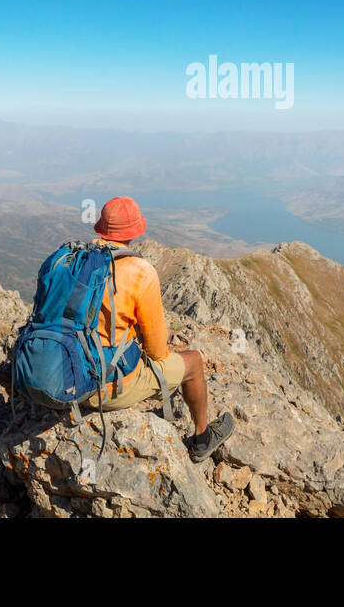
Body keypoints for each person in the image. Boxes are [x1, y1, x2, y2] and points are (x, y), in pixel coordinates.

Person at [83, 196, 235, 462]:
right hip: (100, 387)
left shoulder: (74, 261)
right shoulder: (140, 271)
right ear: (134, 232)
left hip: (62, 375)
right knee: (194, 362)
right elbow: (156, 351)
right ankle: (201, 439)